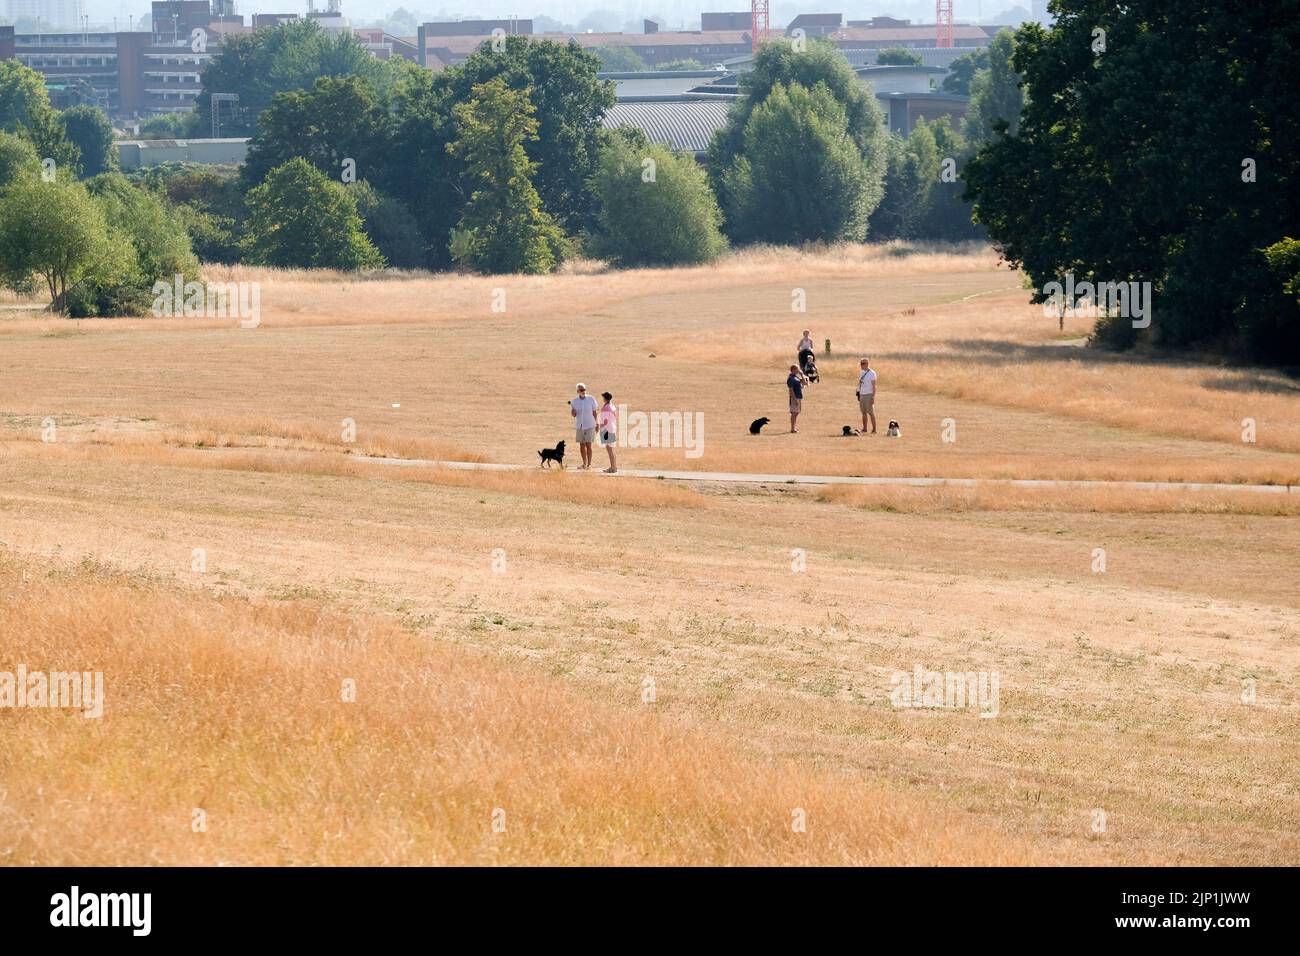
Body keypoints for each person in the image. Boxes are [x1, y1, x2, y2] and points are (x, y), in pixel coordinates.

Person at [569, 383, 598, 469]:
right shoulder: (574, 401)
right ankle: (584, 463)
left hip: (590, 425)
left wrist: (597, 423)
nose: (583, 391)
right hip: (580, 426)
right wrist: (573, 412)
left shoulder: (591, 399)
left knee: (588, 445)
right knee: (581, 445)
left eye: (584, 389)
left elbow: (594, 412)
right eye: (581, 390)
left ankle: (589, 465)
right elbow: (573, 415)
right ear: (577, 391)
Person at [598, 391, 619, 473]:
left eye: (603, 397)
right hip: (612, 428)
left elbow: (605, 421)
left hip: (607, 429)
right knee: (611, 448)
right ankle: (614, 467)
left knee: (609, 449)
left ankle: (612, 468)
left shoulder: (606, 407)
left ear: (605, 398)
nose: (602, 398)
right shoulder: (612, 406)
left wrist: (601, 428)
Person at [856, 358, 877, 435]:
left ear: (866, 364)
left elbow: (874, 386)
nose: (860, 366)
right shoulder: (861, 372)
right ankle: (865, 428)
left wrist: (873, 397)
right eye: (860, 364)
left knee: (871, 412)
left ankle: (874, 429)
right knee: (863, 412)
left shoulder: (872, 373)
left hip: (869, 394)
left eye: (862, 364)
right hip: (862, 394)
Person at [786, 364, 804, 433]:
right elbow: (791, 390)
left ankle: (794, 428)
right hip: (795, 397)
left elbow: (804, 382)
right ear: (793, 370)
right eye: (797, 369)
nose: (798, 370)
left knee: (797, 413)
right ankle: (792, 429)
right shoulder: (791, 378)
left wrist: (802, 375)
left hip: (799, 397)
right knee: (794, 413)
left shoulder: (796, 377)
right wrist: (794, 399)